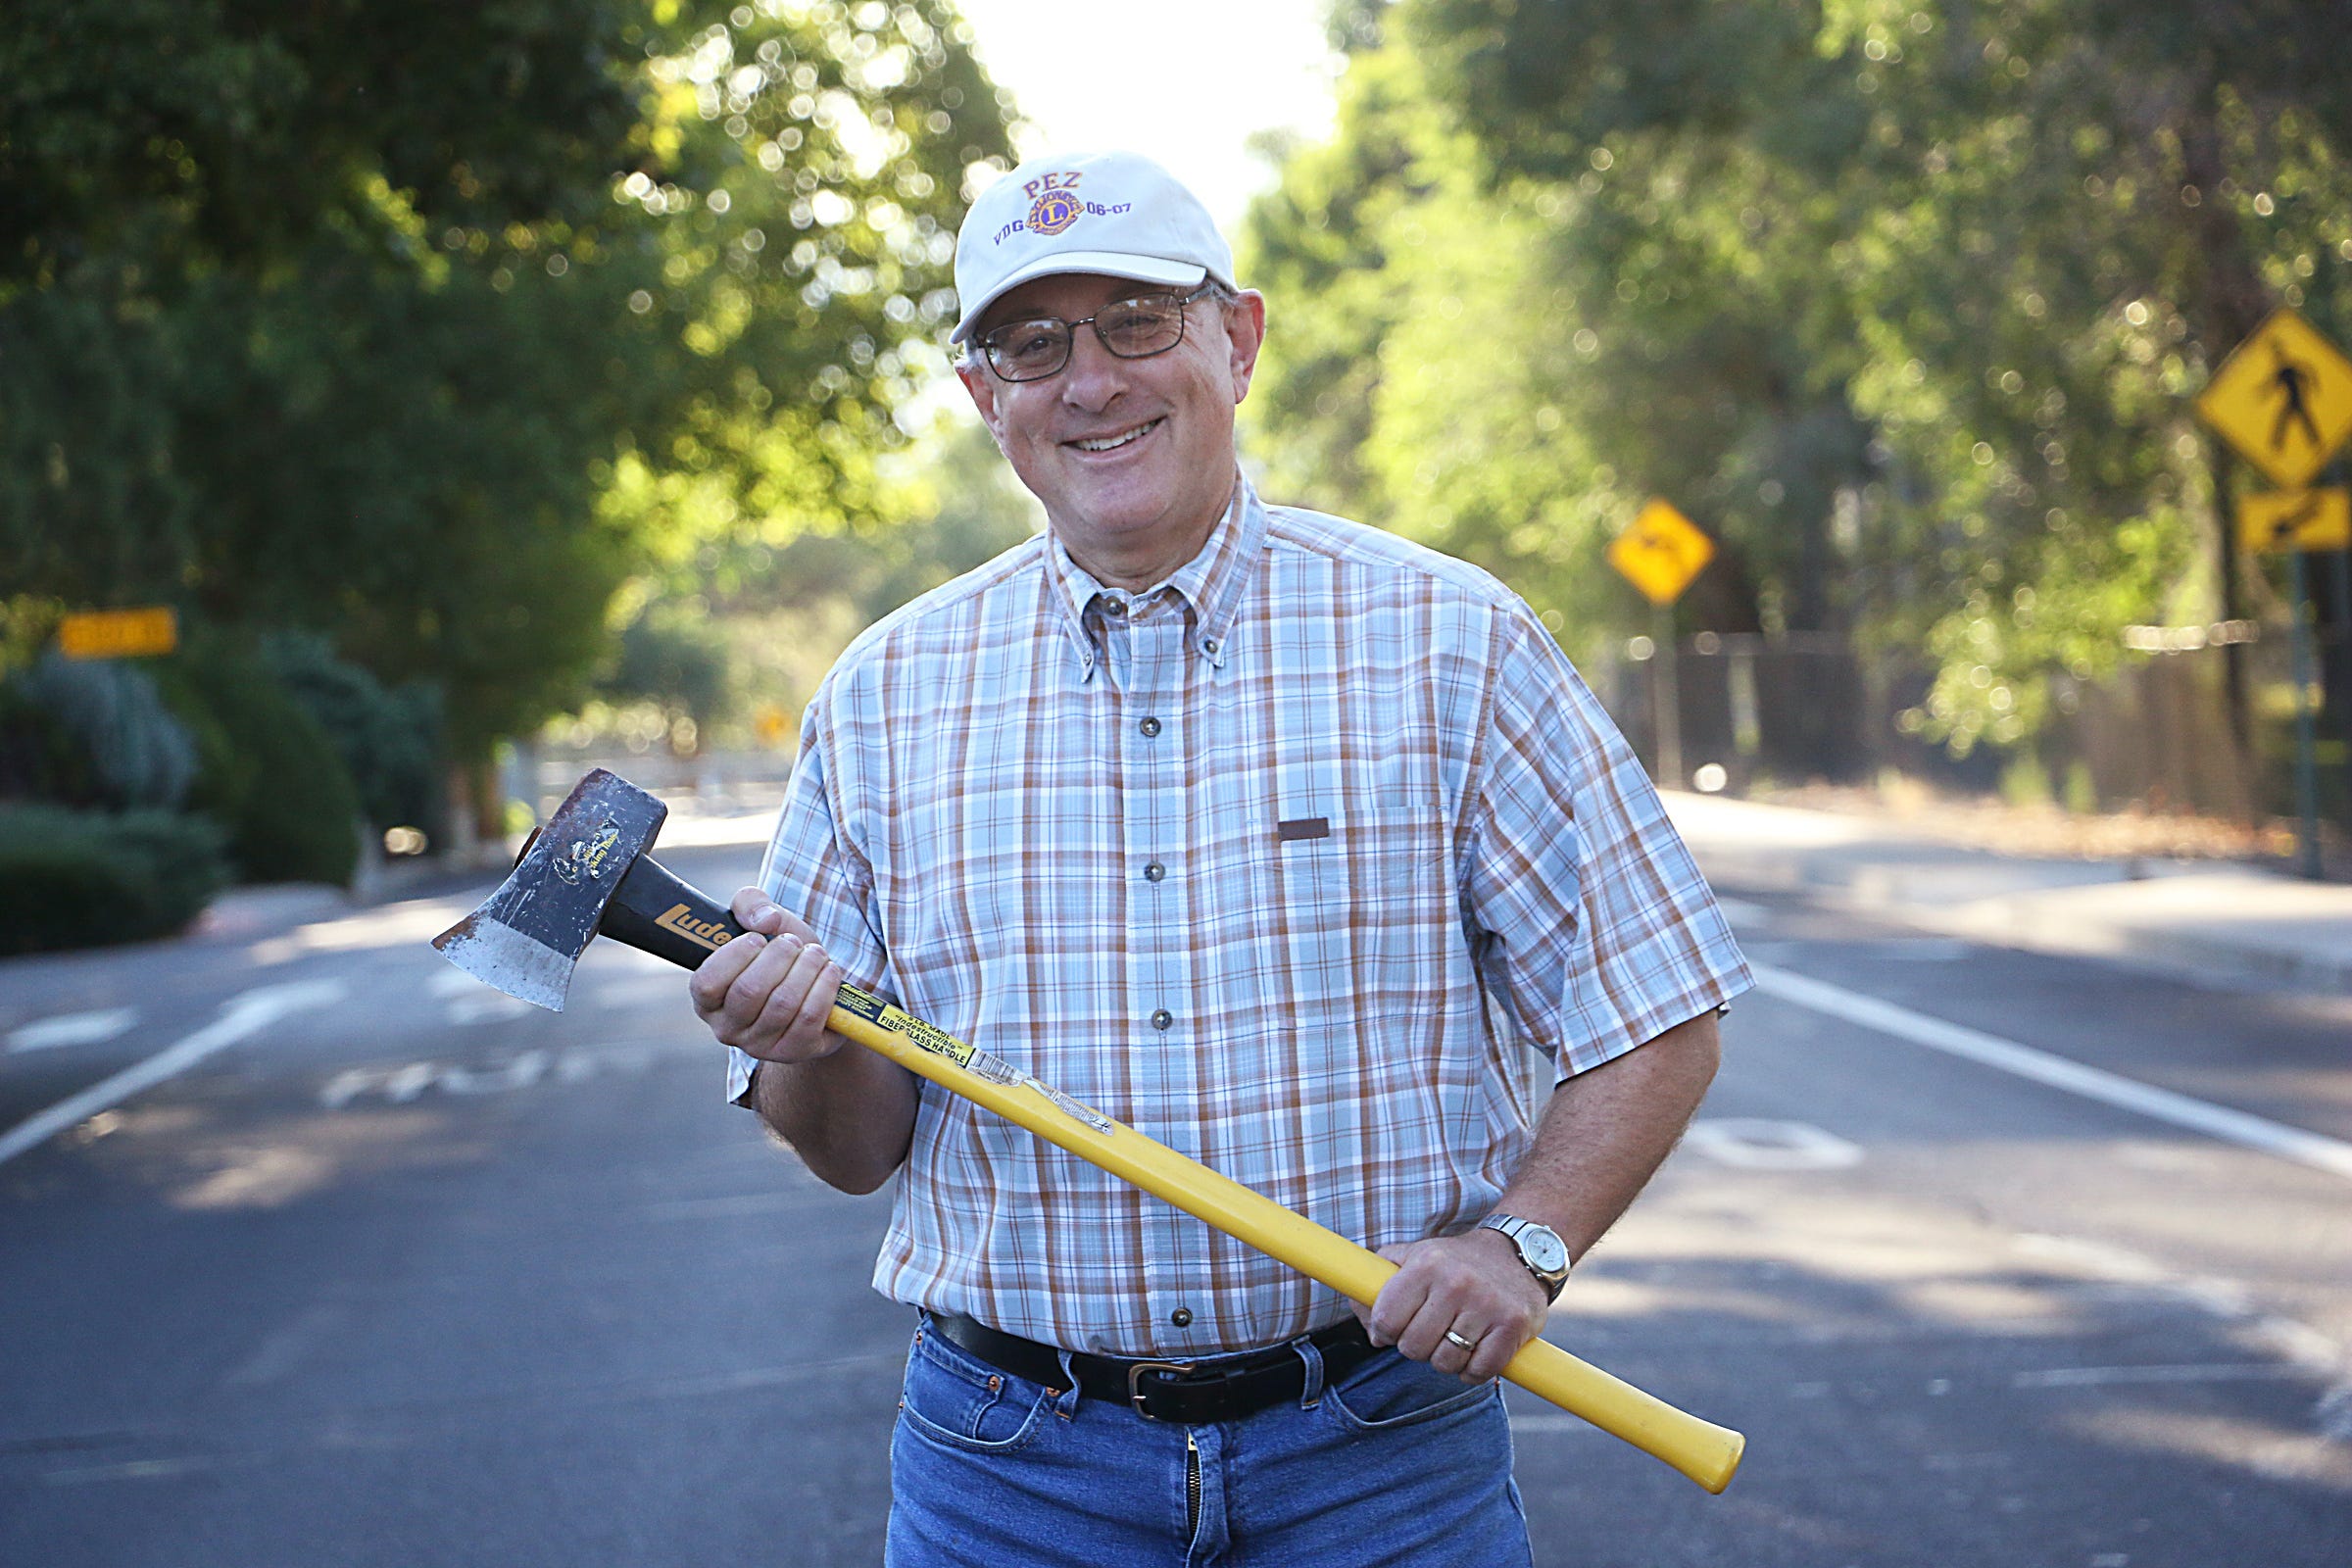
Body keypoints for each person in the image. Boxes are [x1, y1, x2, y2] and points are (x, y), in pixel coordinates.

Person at [690, 149, 1751, 1565]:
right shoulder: (885, 695)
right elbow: (856, 1150)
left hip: (1384, 1462)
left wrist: (1524, 1245)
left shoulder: (1448, 642)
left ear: (1235, 340)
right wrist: (804, 1045)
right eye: (1032, 341)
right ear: (981, 397)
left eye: (1137, 319)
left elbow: (1656, 1005)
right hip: (1011, 1476)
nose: (1092, 381)